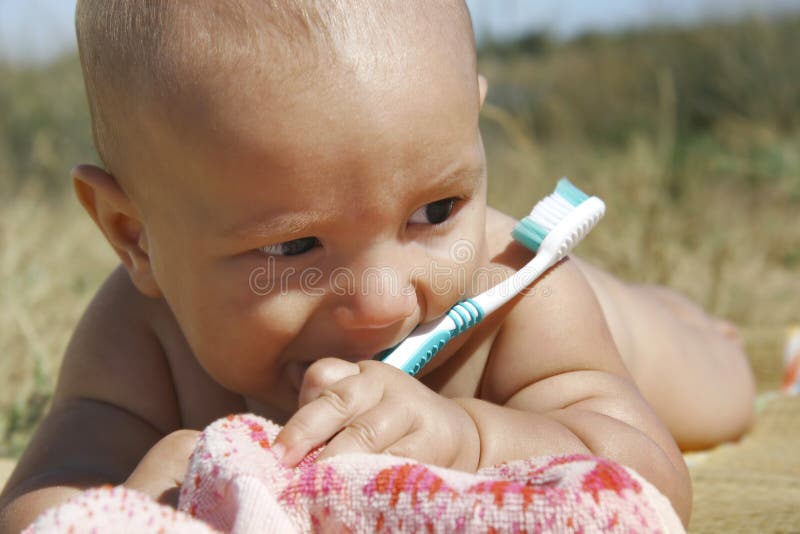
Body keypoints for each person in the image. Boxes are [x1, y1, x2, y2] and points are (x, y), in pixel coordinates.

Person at [0, 1, 756, 530]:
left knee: (714, 381)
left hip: (600, 325)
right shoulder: (141, 338)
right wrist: (152, 496)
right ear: (138, 237)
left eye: (436, 210)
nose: (385, 304)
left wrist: (471, 439)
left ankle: (692, 321)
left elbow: (649, 477)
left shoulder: (510, 294)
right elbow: (37, 502)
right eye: (294, 248)